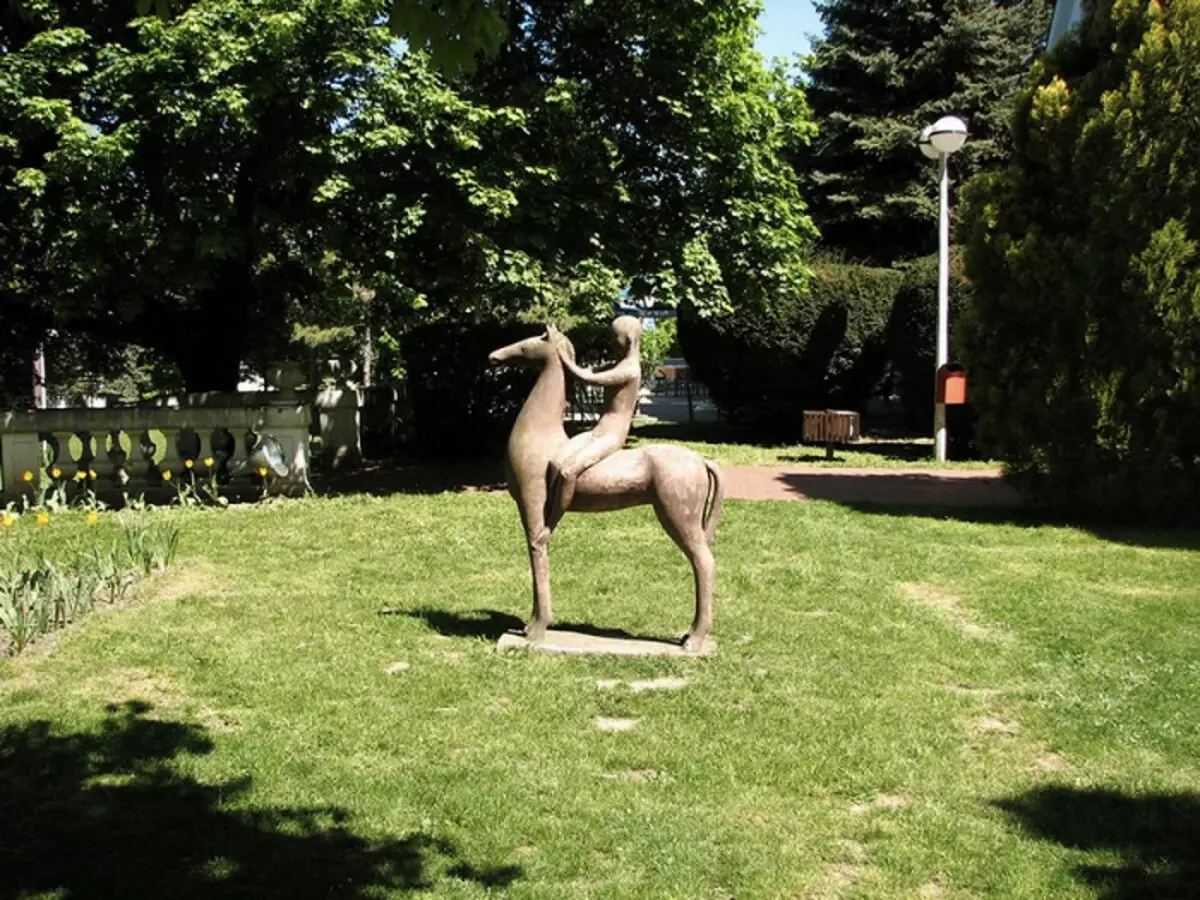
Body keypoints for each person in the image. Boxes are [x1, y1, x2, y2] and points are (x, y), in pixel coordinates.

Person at [546, 316, 643, 525]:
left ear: (628, 339)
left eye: (614, 337)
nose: (611, 342)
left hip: (612, 435)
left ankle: (551, 522)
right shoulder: (618, 364)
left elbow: (589, 378)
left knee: (568, 471)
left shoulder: (630, 369)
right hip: (597, 431)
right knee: (555, 461)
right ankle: (551, 506)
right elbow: (589, 371)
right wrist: (559, 341)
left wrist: (563, 357)